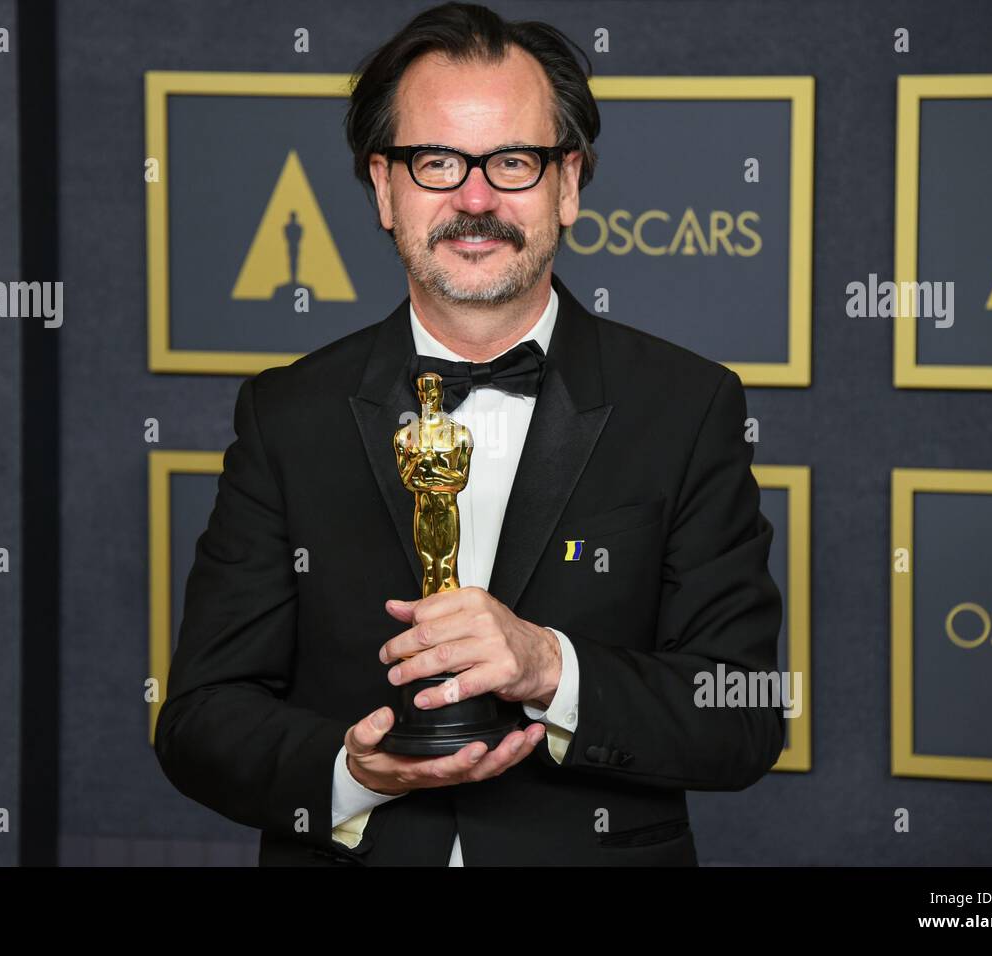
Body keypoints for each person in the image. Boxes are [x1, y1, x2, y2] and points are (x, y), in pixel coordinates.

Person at [154, 1, 785, 866]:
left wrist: (550, 667)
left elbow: (742, 713)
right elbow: (198, 719)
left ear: (568, 185)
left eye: (513, 161)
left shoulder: (687, 406)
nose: (476, 198)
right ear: (385, 188)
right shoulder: (287, 414)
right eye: (438, 162)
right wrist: (354, 773)